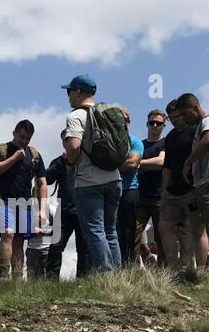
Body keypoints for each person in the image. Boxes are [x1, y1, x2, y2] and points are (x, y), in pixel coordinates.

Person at [61, 75, 128, 273]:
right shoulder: (109, 112)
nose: (68, 96)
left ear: (79, 92)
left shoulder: (75, 116)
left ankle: (105, 273)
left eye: (69, 91)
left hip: (89, 181)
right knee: (110, 231)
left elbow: (73, 147)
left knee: (95, 229)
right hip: (114, 179)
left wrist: (70, 163)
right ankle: (117, 276)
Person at [176, 94, 209, 273]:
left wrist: (188, 161)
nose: (184, 118)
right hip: (205, 182)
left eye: (185, 114)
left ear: (194, 108)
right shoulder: (201, 125)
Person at [0, 119, 47, 281]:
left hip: (25, 203)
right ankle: (4, 278)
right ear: (14, 133)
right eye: (22, 137)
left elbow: (42, 183)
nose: (24, 141)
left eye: (28, 138)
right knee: (8, 234)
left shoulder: (34, 155)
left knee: (19, 240)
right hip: (2, 200)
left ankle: (17, 280)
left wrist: (41, 209)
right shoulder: (1, 150)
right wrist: (13, 159)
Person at [153, 99, 207, 274]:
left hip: (192, 188)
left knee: (198, 229)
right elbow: (167, 164)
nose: (175, 120)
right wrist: (164, 187)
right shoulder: (170, 137)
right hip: (172, 190)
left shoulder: (196, 131)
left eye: (177, 116)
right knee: (164, 226)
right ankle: (173, 269)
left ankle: (200, 270)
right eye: (171, 117)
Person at [43, 151, 88, 279]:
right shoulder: (59, 161)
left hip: (84, 211)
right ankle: (51, 279)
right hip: (62, 211)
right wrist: (62, 160)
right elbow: (47, 178)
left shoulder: (86, 160)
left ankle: (83, 280)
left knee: (84, 249)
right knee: (55, 246)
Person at [136, 109, 167, 265]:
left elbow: (160, 163)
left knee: (162, 238)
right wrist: (149, 164)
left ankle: (164, 273)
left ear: (164, 125)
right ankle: (133, 270)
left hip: (160, 196)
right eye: (152, 123)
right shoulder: (139, 145)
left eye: (158, 123)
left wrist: (139, 163)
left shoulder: (166, 143)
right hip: (140, 195)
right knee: (133, 234)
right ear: (147, 124)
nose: (155, 126)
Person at [115, 106, 144, 266]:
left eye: (124, 117)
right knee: (111, 231)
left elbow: (132, 163)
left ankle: (127, 268)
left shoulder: (135, 141)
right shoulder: (107, 142)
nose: (121, 120)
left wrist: (110, 164)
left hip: (129, 191)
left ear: (128, 121)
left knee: (128, 232)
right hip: (109, 191)